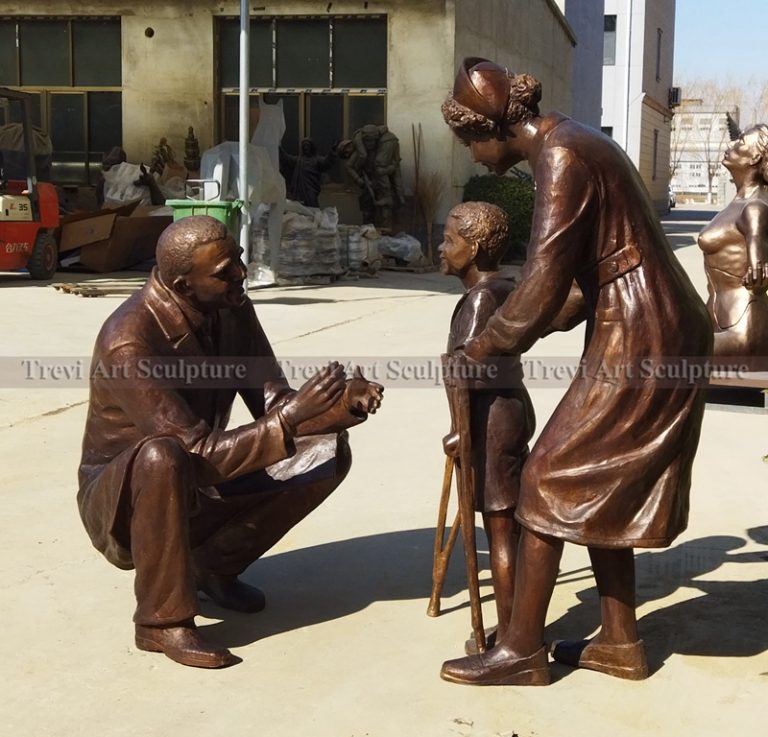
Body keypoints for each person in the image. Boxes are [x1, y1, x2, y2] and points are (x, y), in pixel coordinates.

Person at [438, 57, 712, 685]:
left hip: (646, 332)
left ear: (488, 128)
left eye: (469, 143)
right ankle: (618, 642)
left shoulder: (561, 155)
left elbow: (543, 279)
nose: (475, 161)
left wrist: (487, 347)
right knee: (594, 481)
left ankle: (521, 653)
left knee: (548, 478)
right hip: (641, 319)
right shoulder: (577, 141)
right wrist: (524, 329)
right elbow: (580, 282)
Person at [77, 215, 383, 669]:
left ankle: (214, 565)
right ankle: (160, 623)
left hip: (198, 469)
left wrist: (339, 407)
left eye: (237, 258)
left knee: (324, 451)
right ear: (183, 286)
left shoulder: (231, 306)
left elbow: (273, 399)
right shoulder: (129, 341)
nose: (240, 272)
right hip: (126, 497)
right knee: (163, 455)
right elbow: (195, 451)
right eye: (225, 271)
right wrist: (292, 417)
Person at [438, 201, 535, 649]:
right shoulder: (503, 286)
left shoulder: (479, 299)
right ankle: (516, 622)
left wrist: (462, 429)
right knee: (506, 525)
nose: (441, 248)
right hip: (507, 409)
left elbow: (467, 374)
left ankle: (513, 633)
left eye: (449, 241)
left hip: (489, 419)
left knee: (499, 528)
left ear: (473, 248)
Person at [697, 123, 768, 363]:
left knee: (659, 349)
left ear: (755, 157)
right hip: (712, 319)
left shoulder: (755, 208)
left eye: (740, 143)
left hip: (741, 329)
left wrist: (761, 271)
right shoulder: (736, 204)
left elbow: (759, 261)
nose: (730, 145)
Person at [340, 124, 404, 230]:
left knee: (385, 205)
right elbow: (349, 167)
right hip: (369, 182)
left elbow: (394, 170)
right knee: (367, 209)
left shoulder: (380, 148)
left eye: (373, 141)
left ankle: (385, 228)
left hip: (379, 180)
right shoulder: (358, 154)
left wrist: (390, 169)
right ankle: (368, 229)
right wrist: (360, 180)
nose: (371, 144)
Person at [279, 137, 336, 208]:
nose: (306, 148)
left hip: (311, 191)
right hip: (299, 192)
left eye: (307, 145)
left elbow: (327, 162)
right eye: (304, 146)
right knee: (299, 211)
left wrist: (332, 152)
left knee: (313, 209)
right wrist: (279, 148)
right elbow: (286, 158)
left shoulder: (317, 160)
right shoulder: (298, 160)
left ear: (312, 147)